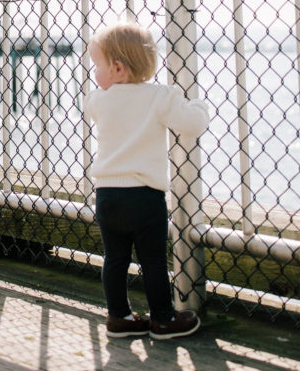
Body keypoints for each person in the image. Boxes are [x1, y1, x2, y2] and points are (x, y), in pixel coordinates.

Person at [84, 22, 209, 340]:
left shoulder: (98, 101)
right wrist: (197, 105)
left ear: (118, 68)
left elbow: (96, 105)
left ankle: (119, 317)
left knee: (115, 259)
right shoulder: (159, 97)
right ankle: (163, 320)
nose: (93, 72)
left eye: (97, 65)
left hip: (107, 195)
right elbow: (192, 123)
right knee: (153, 261)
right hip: (145, 197)